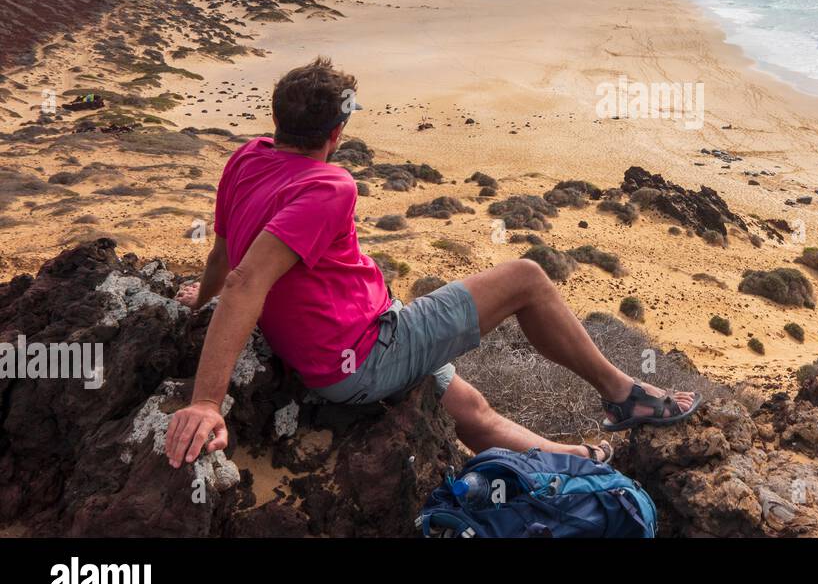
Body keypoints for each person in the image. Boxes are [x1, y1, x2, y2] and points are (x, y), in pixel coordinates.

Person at [163, 57, 700, 470]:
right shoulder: (329, 184)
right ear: (336, 134)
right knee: (527, 279)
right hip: (362, 354)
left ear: (277, 118)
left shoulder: (247, 157)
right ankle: (624, 395)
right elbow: (245, 277)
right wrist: (207, 401)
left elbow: (225, 251)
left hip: (354, 342)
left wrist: (200, 299)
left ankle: (575, 460)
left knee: (468, 407)